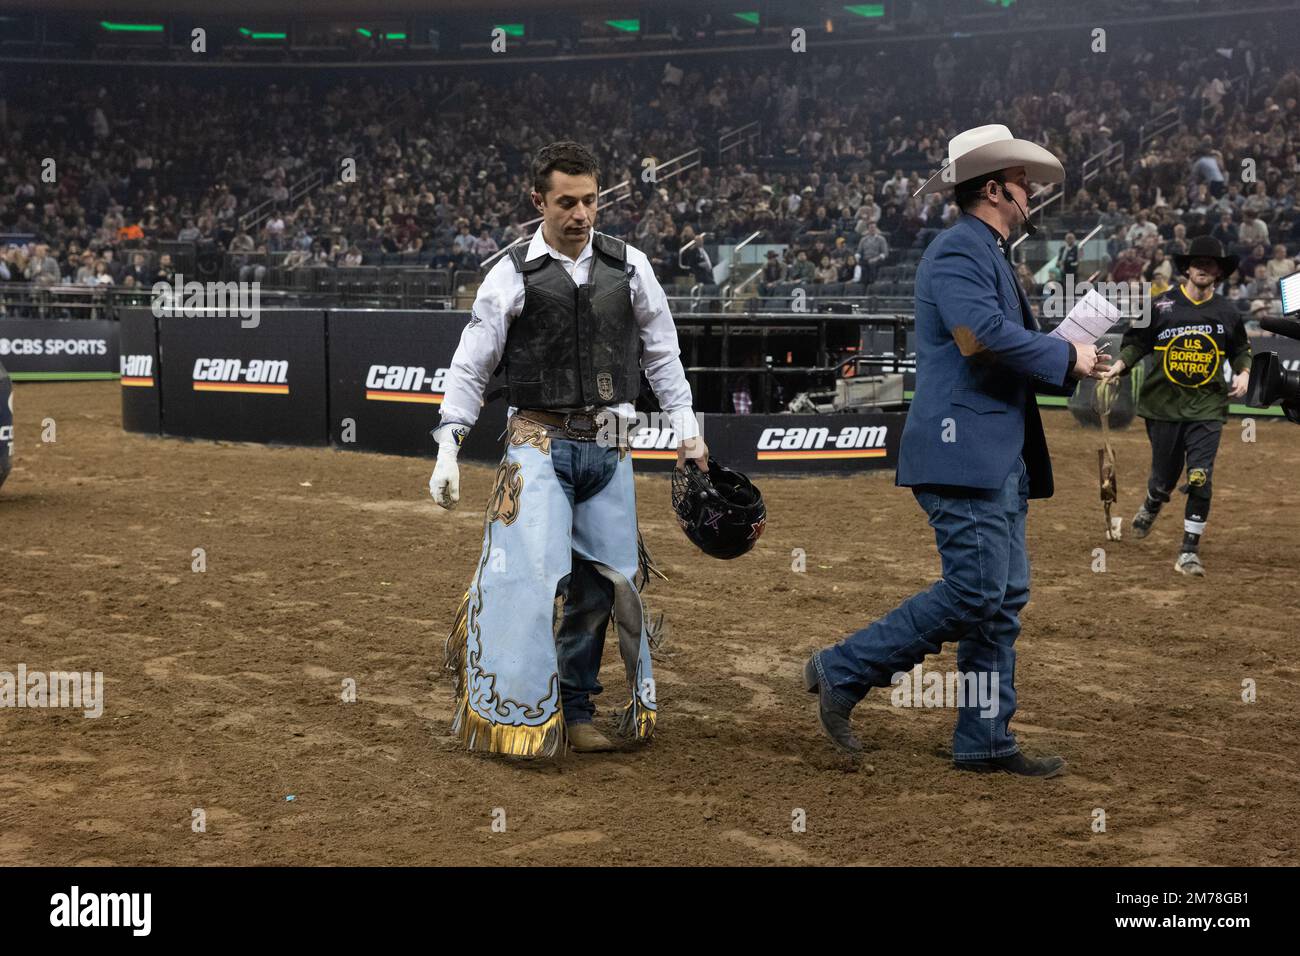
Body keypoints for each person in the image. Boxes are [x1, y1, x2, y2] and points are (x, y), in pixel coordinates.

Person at [803, 125, 1109, 777]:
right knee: (977, 593)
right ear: (994, 187)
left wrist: (1069, 353)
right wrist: (1065, 354)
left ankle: (985, 737)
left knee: (998, 597)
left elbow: (992, 338)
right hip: (967, 450)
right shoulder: (960, 252)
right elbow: (981, 337)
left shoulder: (980, 251)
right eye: (1023, 182)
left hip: (990, 452)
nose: (1032, 192)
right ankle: (842, 669)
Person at [429, 141, 707, 757]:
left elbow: (663, 354)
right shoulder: (508, 274)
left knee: (602, 584)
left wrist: (688, 433)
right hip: (538, 440)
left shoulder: (631, 265)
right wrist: (450, 444)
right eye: (567, 202)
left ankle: (575, 710)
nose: (581, 214)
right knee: (527, 580)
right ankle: (522, 713)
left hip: (611, 441)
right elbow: (471, 366)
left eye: (590, 201)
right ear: (539, 202)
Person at [1100, 236, 1251, 576]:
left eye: (1210, 263)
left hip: (1208, 407)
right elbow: (1135, 341)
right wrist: (1119, 366)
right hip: (1163, 406)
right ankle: (1154, 498)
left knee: (1199, 476)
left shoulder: (1228, 311)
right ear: (1186, 268)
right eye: (1197, 262)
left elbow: (1241, 348)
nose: (1203, 268)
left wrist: (1243, 372)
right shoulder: (1159, 304)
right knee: (1164, 477)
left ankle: (1188, 551)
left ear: (1218, 272)